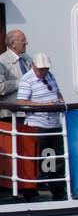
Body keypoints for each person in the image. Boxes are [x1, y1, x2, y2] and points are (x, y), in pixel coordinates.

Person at [16, 52, 65, 200]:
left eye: (45, 69)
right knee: (34, 160)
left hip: (53, 125)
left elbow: (57, 93)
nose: (43, 72)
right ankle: (30, 193)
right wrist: (42, 105)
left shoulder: (50, 76)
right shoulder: (27, 79)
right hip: (38, 126)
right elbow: (22, 102)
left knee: (54, 160)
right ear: (34, 66)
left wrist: (61, 101)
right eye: (40, 69)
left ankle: (57, 191)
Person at [0, 30, 39, 200]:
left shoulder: (28, 60)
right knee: (17, 154)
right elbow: (0, 88)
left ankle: (31, 187)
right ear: (12, 43)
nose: (26, 43)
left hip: (30, 114)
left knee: (30, 153)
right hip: (11, 116)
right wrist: (22, 81)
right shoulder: (2, 61)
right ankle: (20, 190)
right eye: (23, 40)